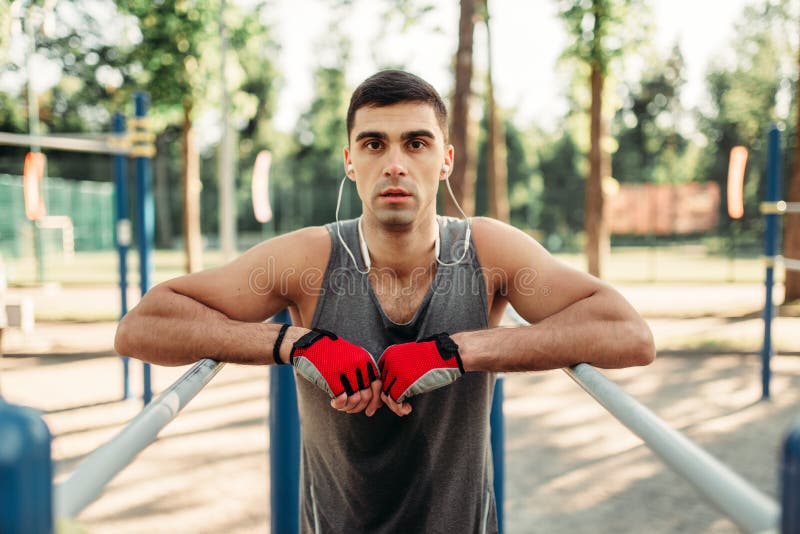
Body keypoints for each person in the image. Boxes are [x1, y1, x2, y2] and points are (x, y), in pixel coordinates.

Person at [115, 69, 655, 533]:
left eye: (415, 143)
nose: (395, 163)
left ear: (444, 160)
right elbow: (143, 325)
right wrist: (294, 343)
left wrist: (455, 350)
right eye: (375, 144)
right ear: (351, 161)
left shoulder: (488, 250)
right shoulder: (308, 258)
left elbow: (629, 335)